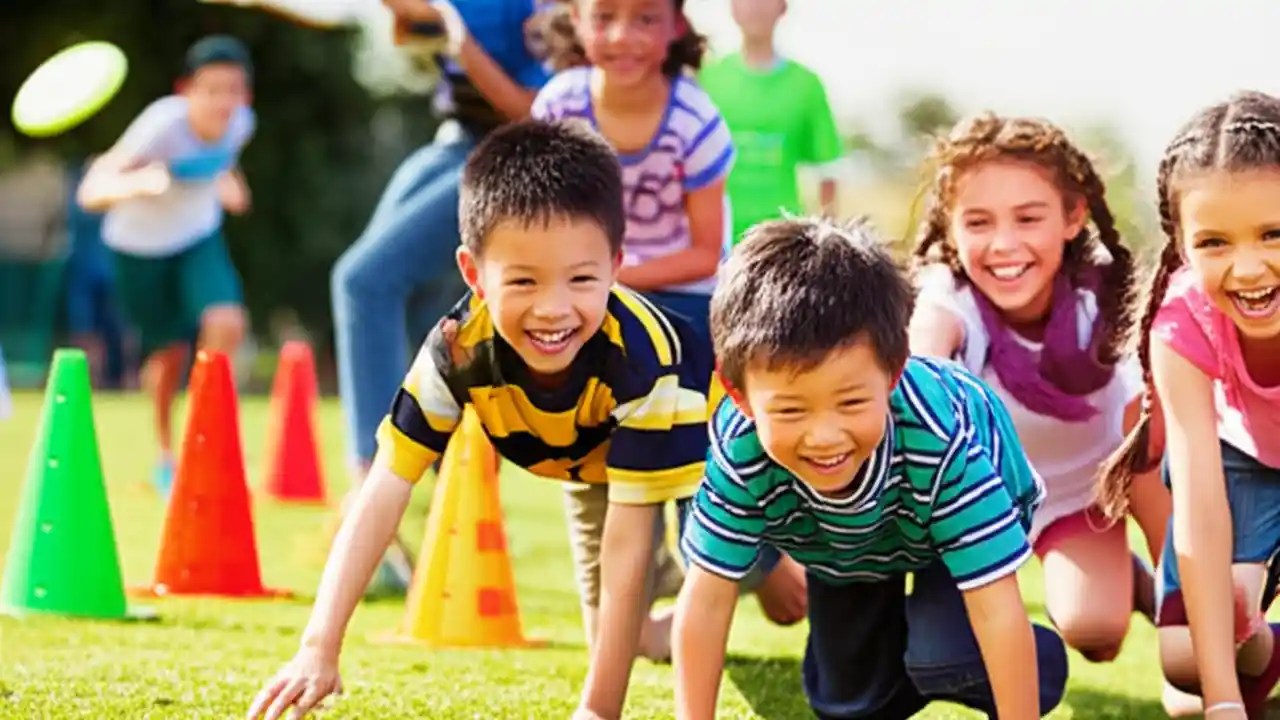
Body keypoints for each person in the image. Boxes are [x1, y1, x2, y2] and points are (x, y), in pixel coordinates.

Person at [250, 119, 748, 720]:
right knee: (624, 630)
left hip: (707, 443)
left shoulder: (643, 360)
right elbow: (383, 486)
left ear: (616, 264)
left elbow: (627, 542)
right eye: (523, 281)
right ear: (473, 274)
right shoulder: (458, 349)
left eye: (581, 279)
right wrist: (317, 647)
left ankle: (771, 570)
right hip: (586, 459)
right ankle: (665, 624)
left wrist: (597, 710)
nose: (553, 309)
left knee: (729, 568)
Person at [673, 216, 1069, 720]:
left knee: (947, 656)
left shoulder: (942, 440)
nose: (824, 436)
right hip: (845, 538)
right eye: (792, 410)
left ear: (893, 371)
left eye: (851, 402)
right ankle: (897, 647)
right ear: (740, 395)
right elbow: (705, 601)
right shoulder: (741, 446)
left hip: (946, 505)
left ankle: (1018, 659)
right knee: (849, 706)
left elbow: (994, 606)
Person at [529, 0, 808, 654]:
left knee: (698, 490)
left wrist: (607, 282)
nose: (623, 36)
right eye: (605, 17)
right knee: (588, 450)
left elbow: (704, 251)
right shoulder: (560, 105)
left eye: (646, 19)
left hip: (683, 303)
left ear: (675, 27)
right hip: (590, 297)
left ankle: (757, 559)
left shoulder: (694, 120)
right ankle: (624, 611)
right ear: (577, 19)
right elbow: (538, 226)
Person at [906, 112, 1169, 665]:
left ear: (1073, 217)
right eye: (978, 223)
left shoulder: (1101, 290)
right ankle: (1136, 583)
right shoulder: (948, 295)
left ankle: (1170, 594)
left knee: (1095, 634)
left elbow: (1140, 402)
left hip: (1086, 492)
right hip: (987, 497)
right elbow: (923, 353)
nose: (1004, 245)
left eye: (1028, 218)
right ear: (951, 227)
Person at [331, 0, 554, 587]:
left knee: (365, 282)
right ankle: (421, 511)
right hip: (452, 142)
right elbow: (410, 30)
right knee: (421, 312)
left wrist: (458, 35)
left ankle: (371, 503)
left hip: (507, 153)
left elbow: (527, 106)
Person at [1097, 90, 1280, 720]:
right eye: (1215, 243)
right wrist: (1224, 702)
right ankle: (1260, 647)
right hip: (1245, 458)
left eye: (1273, 233)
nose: (1250, 267)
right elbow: (1200, 503)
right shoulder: (1181, 325)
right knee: (1187, 667)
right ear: (1179, 243)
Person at [78, 35, 255, 496]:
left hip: (198, 238)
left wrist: (231, 183)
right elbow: (91, 190)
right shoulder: (160, 127)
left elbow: (221, 163)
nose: (222, 102)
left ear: (245, 95)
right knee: (168, 357)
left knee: (226, 323)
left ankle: (206, 441)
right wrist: (140, 183)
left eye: (232, 91)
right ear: (186, 91)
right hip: (138, 249)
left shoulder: (242, 124)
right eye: (211, 90)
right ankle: (165, 454)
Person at [698, 0, 843, 245]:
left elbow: (827, 171)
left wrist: (826, 246)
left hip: (781, 241)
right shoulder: (705, 79)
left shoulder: (806, 85)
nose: (756, 6)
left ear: (783, 7)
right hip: (713, 241)